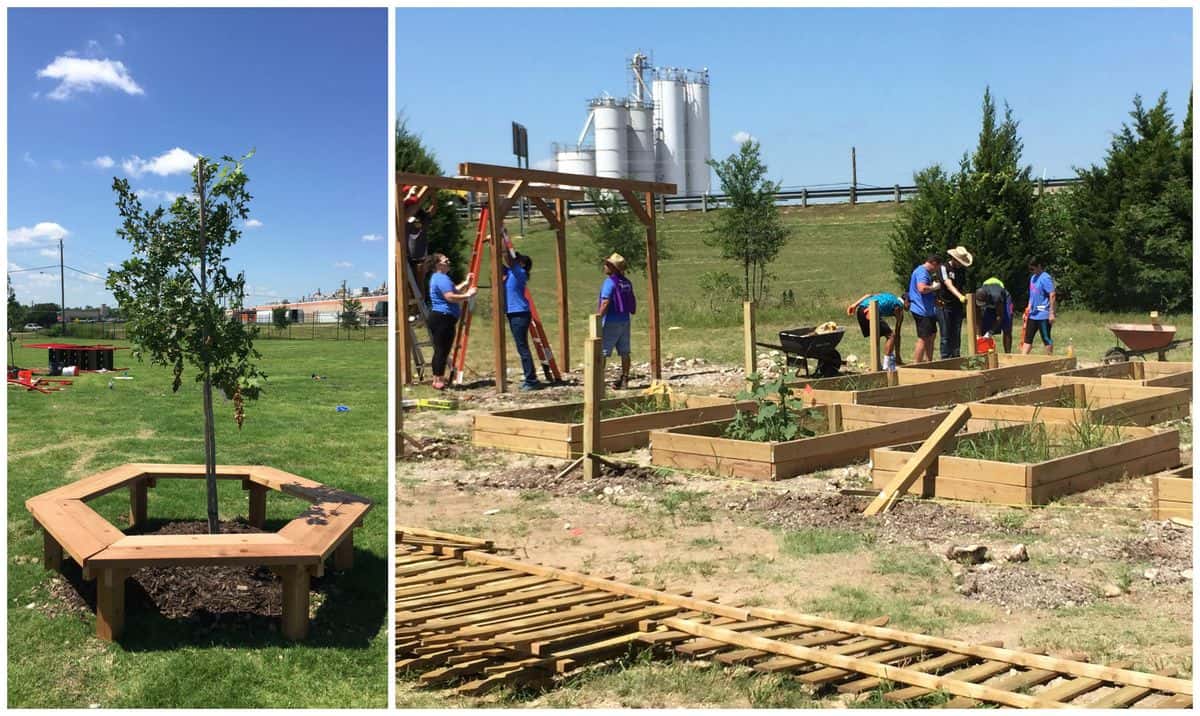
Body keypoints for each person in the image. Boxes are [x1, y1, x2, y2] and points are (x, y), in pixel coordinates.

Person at [424, 253, 476, 390]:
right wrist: (468, 296)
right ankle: (438, 380)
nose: (448, 261)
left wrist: (465, 283)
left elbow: (453, 290)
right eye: (445, 260)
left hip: (441, 317)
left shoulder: (440, 278)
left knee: (440, 350)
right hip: (443, 318)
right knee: (442, 351)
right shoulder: (441, 278)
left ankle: (437, 379)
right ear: (438, 264)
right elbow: (450, 297)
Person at [502, 251, 542, 391]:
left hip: (519, 314)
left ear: (522, 264)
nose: (512, 260)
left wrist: (502, 238)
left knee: (522, 347)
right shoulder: (511, 271)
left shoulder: (519, 272)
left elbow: (508, 257)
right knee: (522, 347)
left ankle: (531, 380)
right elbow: (500, 260)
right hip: (514, 313)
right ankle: (530, 378)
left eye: (517, 259)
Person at [597, 252, 636, 390]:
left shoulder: (609, 282)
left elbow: (605, 302)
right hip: (624, 320)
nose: (605, 266)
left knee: (602, 352)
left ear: (613, 268)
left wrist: (598, 317)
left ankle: (598, 381)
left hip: (610, 321)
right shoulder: (626, 282)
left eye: (607, 265)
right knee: (625, 352)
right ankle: (625, 379)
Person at [845, 291, 909, 369]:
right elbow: (897, 334)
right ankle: (887, 365)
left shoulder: (891, 297)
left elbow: (868, 295)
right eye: (911, 303)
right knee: (892, 336)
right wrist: (898, 357)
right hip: (870, 311)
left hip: (860, 310)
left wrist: (854, 305)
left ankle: (877, 365)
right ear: (906, 301)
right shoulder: (898, 306)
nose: (911, 306)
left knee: (877, 335)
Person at [935, 246, 973, 359]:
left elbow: (961, 285)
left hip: (957, 306)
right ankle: (945, 358)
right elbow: (948, 284)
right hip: (944, 305)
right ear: (954, 258)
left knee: (956, 333)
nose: (961, 264)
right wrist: (960, 296)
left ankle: (956, 356)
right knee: (946, 334)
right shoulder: (944, 267)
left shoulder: (961, 270)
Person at [907, 255, 942, 363]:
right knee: (924, 338)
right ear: (934, 263)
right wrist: (934, 287)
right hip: (922, 310)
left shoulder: (923, 272)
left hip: (927, 310)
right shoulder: (922, 272)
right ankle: (917, 364)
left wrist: (935, 301)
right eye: (937, 267)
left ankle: (929, 362)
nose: (936, 270)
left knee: (932, 335)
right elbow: (922, 289)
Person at [1021, 257, 1057, 355]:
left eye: (1033, 269)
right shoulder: (1033, 278)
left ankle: (1050, 359)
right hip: (1033, 313)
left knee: (1046, 338)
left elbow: (1052, 294)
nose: (1032, 271)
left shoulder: (1045, 278)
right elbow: (1032, 295)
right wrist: (1027, 309)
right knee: (1027, 339)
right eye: (1030, 269)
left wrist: (1051, 313)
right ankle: (1022, 360)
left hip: (1043, 313)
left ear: (1039, 266)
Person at [973, 278, 1014, 353]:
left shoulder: (997, 297)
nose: (981, 306)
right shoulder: (976, 298)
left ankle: (1008, 354)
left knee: (1007, 327)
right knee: (984, 328)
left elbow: (1000, 316)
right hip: (990, 299)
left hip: (1004, 301)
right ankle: (985, 352)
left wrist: (990, 332)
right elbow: (978, 316)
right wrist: (978, 335)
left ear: (987, 298)